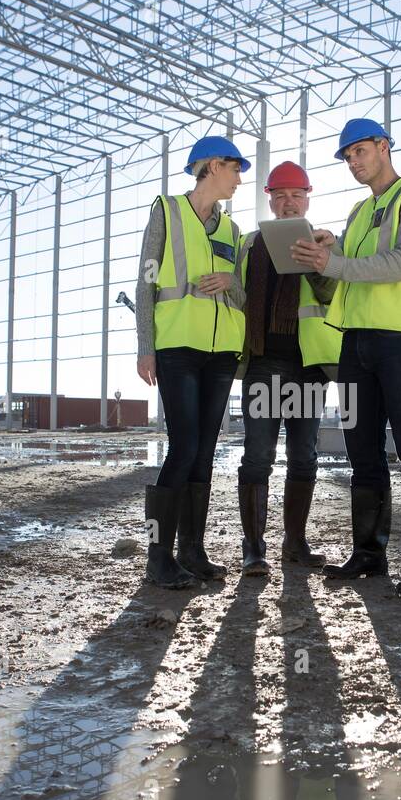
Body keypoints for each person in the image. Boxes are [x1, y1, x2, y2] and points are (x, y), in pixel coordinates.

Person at [289, 118, 401, 597]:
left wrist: (334, 262)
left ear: (384, 146)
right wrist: (332, 247)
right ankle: (368, 553)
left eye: (360, 151)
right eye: (347, 156)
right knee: (361, 446)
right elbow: (350, 267)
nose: (354, 162)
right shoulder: (361, 210)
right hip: (356, 340)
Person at [135, 135, 248, 589]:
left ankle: (192, 551)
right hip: (178, 347)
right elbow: (145, 282)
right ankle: (157, 555)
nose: (239, 179)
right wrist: (146, 346)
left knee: (204, 452)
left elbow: (243, 296)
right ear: (213, 166)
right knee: (183, 448)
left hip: (221, 354)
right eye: (235, 169)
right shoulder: (166, 211)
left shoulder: (232, 231)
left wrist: (231, 282)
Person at [235, 161, 342, 575]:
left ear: (308, 199)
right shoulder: (249, 244)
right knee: (258, 455)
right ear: (270, 201)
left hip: (309, 364)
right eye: (280, 196)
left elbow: (331, 293)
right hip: (265, 362)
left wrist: (323, 258)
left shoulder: (324, 242)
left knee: (303, 456)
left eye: (296, 195)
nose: (288, 202)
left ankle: (295, 543)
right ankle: (254, 547)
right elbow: (238, 294)